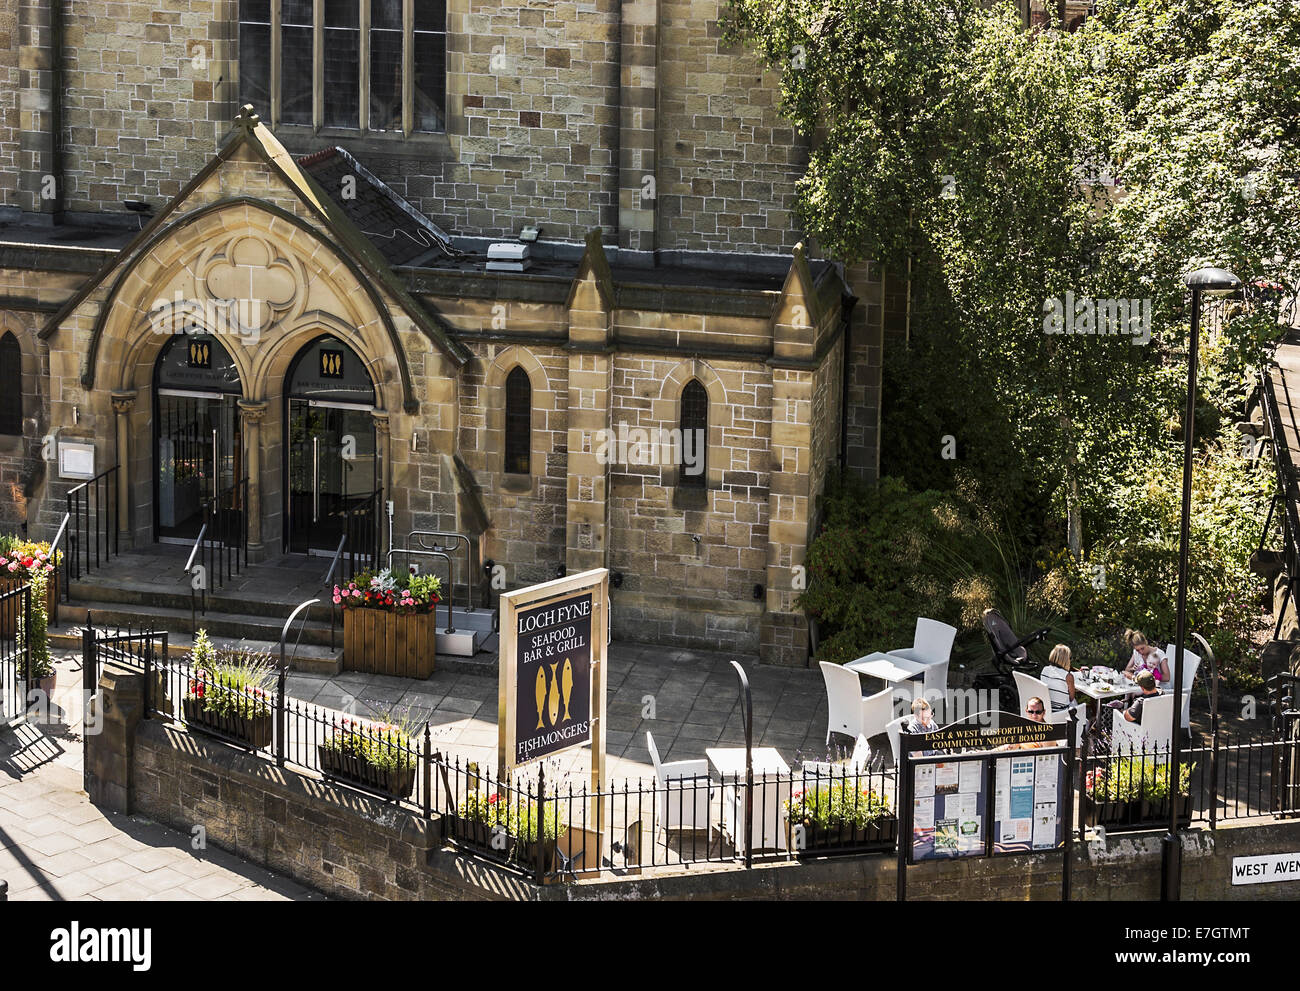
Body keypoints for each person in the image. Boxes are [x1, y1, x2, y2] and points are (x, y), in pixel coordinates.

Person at [1040, 644, 1076, 712]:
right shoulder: (1068, 676)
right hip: (1061, 712)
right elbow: (1071, 698)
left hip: (1046, 709)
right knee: (1076, 703)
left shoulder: (1045, 669)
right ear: (1066, 660)